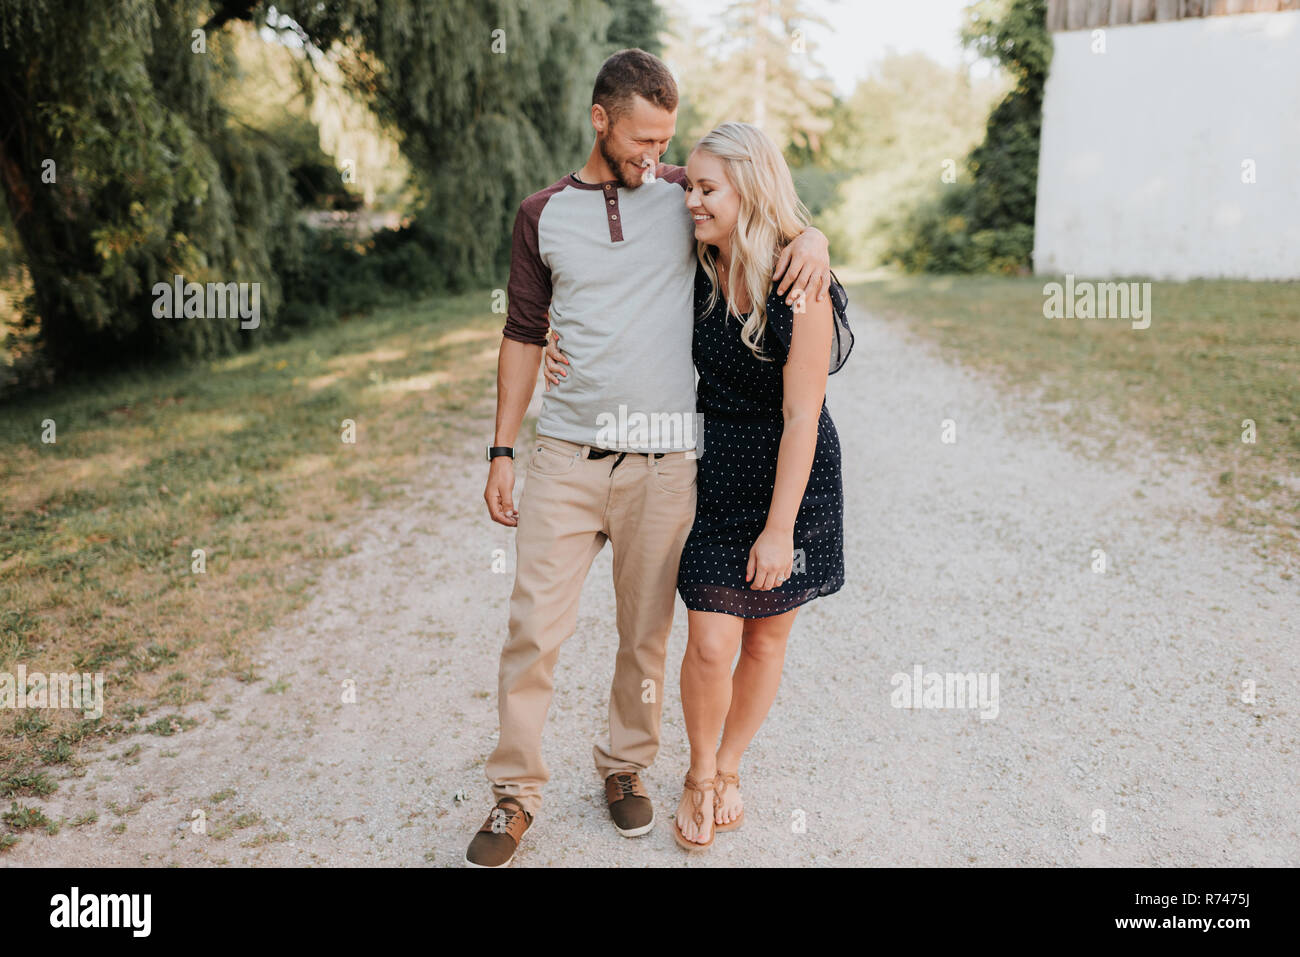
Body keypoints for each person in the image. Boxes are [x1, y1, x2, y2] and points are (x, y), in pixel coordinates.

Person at [469, 50, 832, 867]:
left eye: (664, 140)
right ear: (600, 121)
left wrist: (816, 238)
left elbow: (763, 210)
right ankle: (515, 792)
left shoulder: (682, 199)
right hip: (564, 455)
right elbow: (524, 332)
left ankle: (626, 768)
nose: (655, 157)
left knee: (646, 636)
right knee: (533, 630)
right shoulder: (541, 215)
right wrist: (501, 449)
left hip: (665, 464)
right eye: (641, 140)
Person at [545, 122, 853, 852]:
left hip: (792, 479)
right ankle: (699, 770)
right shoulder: (694, 258)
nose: (693, 202)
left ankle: (731, 765)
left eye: (710, 191)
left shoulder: (798, 283)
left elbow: (802, 416)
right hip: (713, 470)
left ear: (750, 190)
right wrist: (558, 328)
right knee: (713, 640)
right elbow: (623, 244)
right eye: (695, 187)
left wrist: (780, 531)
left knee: (768, 637)